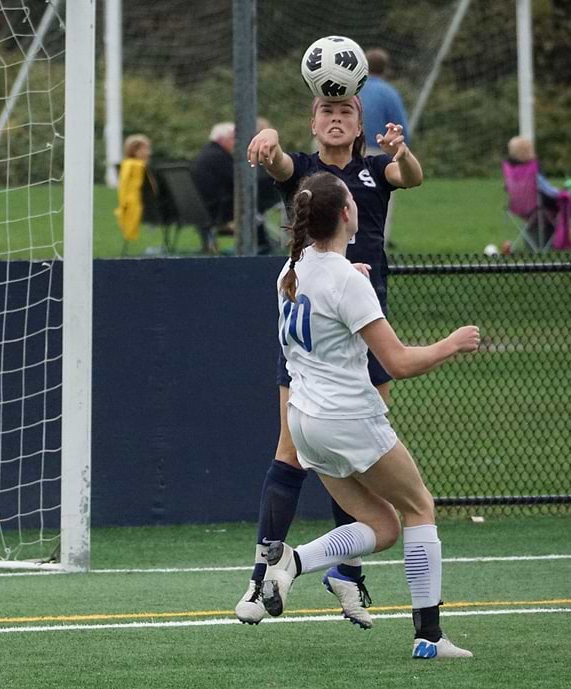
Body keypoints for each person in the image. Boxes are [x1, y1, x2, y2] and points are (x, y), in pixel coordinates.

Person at [262, 170, 479, 659]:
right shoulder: (343, 279)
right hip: (347, 419)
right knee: (420, 505)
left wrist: (350, 277)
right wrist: (450, 344)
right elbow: (398, 363)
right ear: (345, 214)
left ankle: (293, 561)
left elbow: (326, 304)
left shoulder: (291, 270)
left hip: (304, 421)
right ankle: (429, 637)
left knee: (382, 526)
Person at [234, 95, 422, 628]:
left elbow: (411, 176)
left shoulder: (374, 170)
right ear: (313, 124)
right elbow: (277, 163)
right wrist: (266, 137)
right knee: (290, 454)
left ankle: (346, 572)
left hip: (367, 327)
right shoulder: (305, 171)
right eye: (326, 112)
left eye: (346, 113)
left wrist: (401, 151)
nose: (336, 119)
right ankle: (261, 575)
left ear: (359, 125)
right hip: (315, 340)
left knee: (358, 458)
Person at [191, 122, 272, 255]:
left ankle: (261, 244)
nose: (236, 143)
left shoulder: (206, 154)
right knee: (253, 199)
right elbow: (240, 181)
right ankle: (262, 245)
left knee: (252, 199)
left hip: (205, 209)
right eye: (234, 138)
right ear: (223, 139)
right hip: (219, 210)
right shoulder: (218, 157)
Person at [359, 48, 410, 249]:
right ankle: (379, 243)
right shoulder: (389, 92)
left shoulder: (354, 88)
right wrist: (405, 152)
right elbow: (399, 125)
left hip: (349, 150)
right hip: (379, 154)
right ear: (385, 68)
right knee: (381, 200)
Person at [113, 134, 152, 255]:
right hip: (147, 208)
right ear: (135, 150)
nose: (149, 153)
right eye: (146, 149)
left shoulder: (125, 165)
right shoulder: (138, 167)